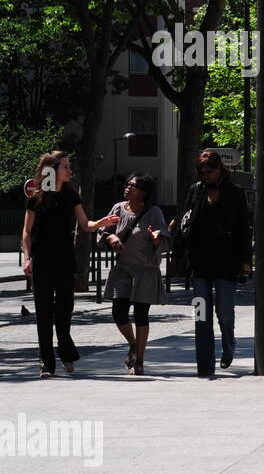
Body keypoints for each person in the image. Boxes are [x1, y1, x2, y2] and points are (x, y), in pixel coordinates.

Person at [22, 151, 120, 377]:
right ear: (53, 170)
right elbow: (26, 232)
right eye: (65, 166)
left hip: (65, 260)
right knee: (43, 314)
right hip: (42, 261)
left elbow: (85, 224)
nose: (69, 170)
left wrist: (101, 223)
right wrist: (27, 258)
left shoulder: (71, 195)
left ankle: (66, 353)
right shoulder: (36, 199)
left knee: (64, 311)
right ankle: (46, 363)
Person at [176, 150, 252, 377]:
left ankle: (229, 345)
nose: (204, 176)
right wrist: (179, 255)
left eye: (208, 171)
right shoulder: (195, 190)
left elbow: (243, 229)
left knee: (225, 312)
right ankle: (204, 365)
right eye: (201, 172)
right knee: (201, 315)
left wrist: (246, 261)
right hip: (200, 263)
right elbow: (185, 221)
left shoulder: (235, 193)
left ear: (219, 169)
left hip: (227, 262)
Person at [98, 173, 170, 375]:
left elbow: (164, 237)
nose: (128, 188)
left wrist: (156, 238)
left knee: (140, 314)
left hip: (145, 270)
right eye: (127, 185)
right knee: (118, 312)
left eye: (133, 186)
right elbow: (104, 231)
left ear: (144, 193)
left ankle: (139, 361)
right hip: (123, 269)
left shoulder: (153, 212)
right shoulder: (118, 208)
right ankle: (133, 344)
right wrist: (111, 237)